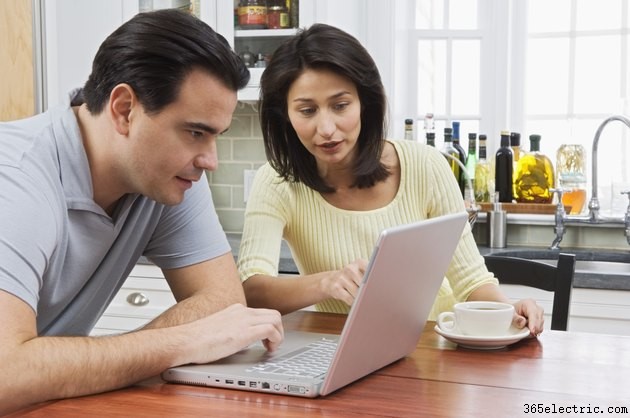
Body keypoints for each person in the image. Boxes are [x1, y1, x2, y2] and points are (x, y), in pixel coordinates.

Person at [0, 10, 283, 415]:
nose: (210, 160)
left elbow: (222, 302)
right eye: (195, 132)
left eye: (215, 136)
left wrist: (69, 366)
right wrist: (179, 343)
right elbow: (6, 373)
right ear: (124, 109)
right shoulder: (14, 178)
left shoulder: (166, 176)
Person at [237, 24, 544, 335]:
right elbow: (251, 290)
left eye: (340, 106)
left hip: (436, 350)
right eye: (307, 110)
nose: (326, 127)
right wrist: (327, 283)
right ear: (285, 115)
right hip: (344, 355)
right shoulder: (276, 182)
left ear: (364, 103)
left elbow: (471, 280)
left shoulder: (425, 166)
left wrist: (508, 312)